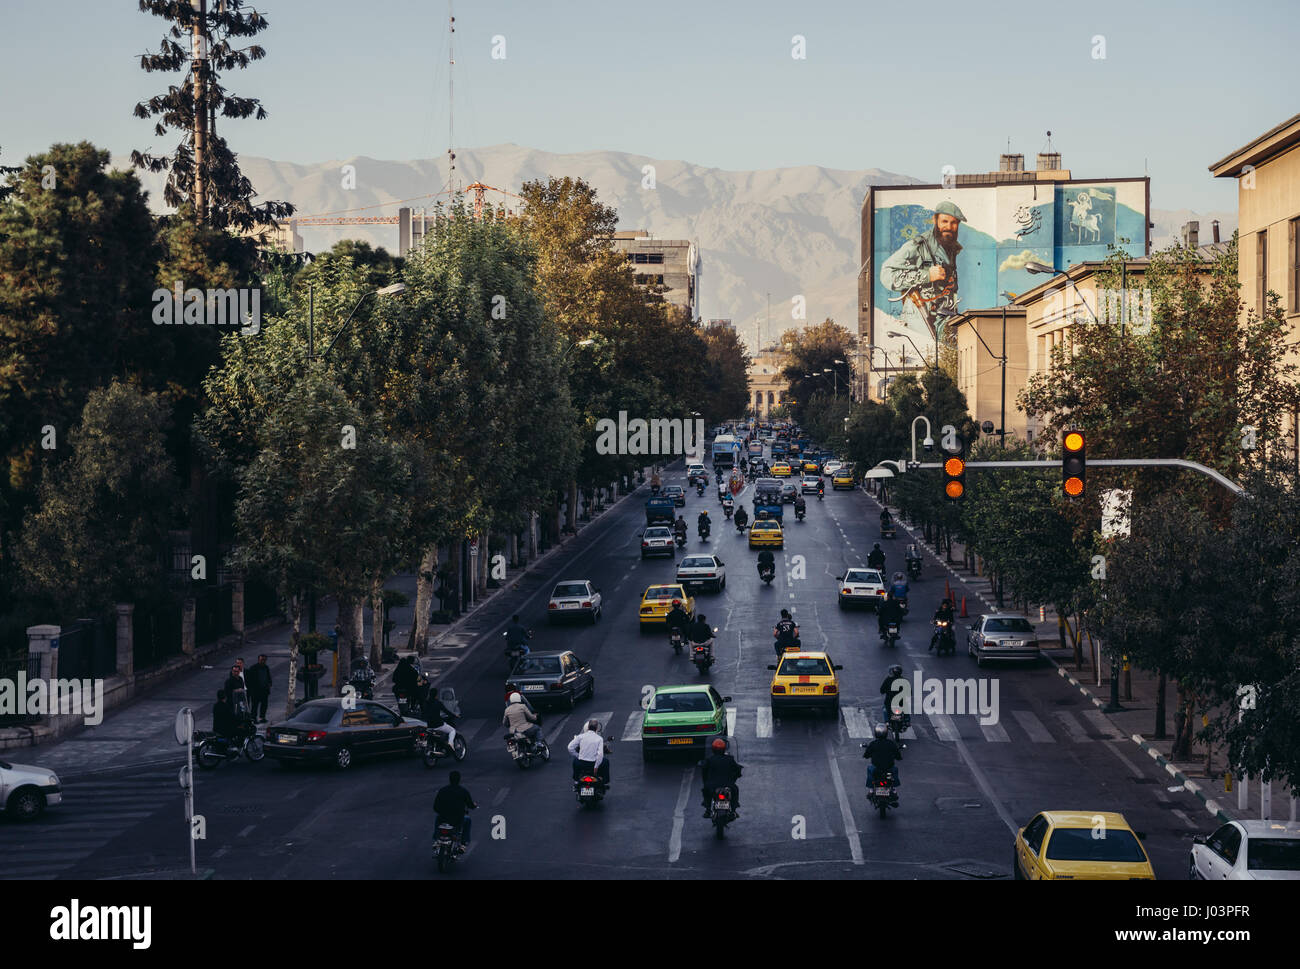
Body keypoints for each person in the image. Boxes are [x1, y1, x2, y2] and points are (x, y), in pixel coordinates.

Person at [433, 770, 478, 848]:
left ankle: (437, 839)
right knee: (468, 820)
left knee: (437, 818)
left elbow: (435, 807)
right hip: (458, 819)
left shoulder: (442, 790)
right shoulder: (463, 791)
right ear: (459, 779)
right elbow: (470, 805)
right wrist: (474, 805)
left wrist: (442, 812)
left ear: (449, 779)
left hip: (443, 818)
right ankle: (463, 843)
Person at [701, 737, 743, 816]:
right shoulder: (730, 759)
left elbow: (704, 769)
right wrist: (738, 774)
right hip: (728, 784)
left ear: (713, 749)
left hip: (713, 785)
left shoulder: (710, 759)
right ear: (724, 749)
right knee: (735, 790)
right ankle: (733, 810)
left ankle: (707, 809)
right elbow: (737, 769)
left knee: (705, 790)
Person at [567, 718, 609, 786]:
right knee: (606, 761)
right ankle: (605, 781)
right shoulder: (599, 739)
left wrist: (578, 755)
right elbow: (600, 755)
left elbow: (570, 747)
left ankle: (576, 780)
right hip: (593, 764)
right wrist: (596, 767)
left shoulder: (580, 737)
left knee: (575, 761)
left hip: (581, 764)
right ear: (597, 728)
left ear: (588, 727)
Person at [863, 723, 903, 788]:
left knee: (869, 769)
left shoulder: (873, 744)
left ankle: (871, 789)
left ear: (876, 733)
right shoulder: (891, 743)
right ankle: (894, 788)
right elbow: (898, 756)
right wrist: (899, 757)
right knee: (895, 770)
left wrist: (867, 754)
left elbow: (866, 755)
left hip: (876, 768)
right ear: (886, 733)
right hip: (889, 768)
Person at [245, 654, 272, 724]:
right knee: (255, 705)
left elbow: (268, 677)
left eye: (264, 660)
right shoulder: (253, 668)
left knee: (264, 705)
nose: (263, 661)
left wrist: (269, 684)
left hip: (264, 690)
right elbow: (249, 680)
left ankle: (262, 717)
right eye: (261, 660)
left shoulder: (266, 667)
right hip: (256, 691)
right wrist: (251, 689)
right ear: (258, 660)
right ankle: (254, 718)